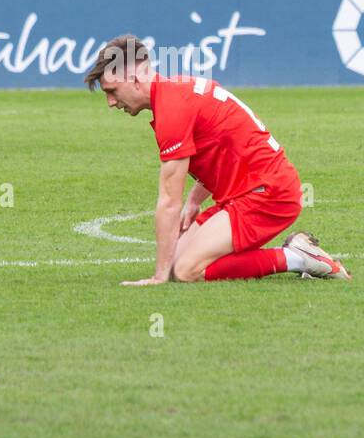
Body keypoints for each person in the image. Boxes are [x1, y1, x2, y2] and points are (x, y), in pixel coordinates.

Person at [84, 34, 350, 285]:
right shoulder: (175, 91)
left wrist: (159, 277)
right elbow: (225, 147)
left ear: (134, 79)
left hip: (267, 194)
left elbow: (168, 201)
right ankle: (293, 255)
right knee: (178, 261)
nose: (110, 102)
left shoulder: (172, 108)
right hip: (252, 189)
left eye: (112, 91)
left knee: (185, 271)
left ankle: (299, 258)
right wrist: (195, 200)